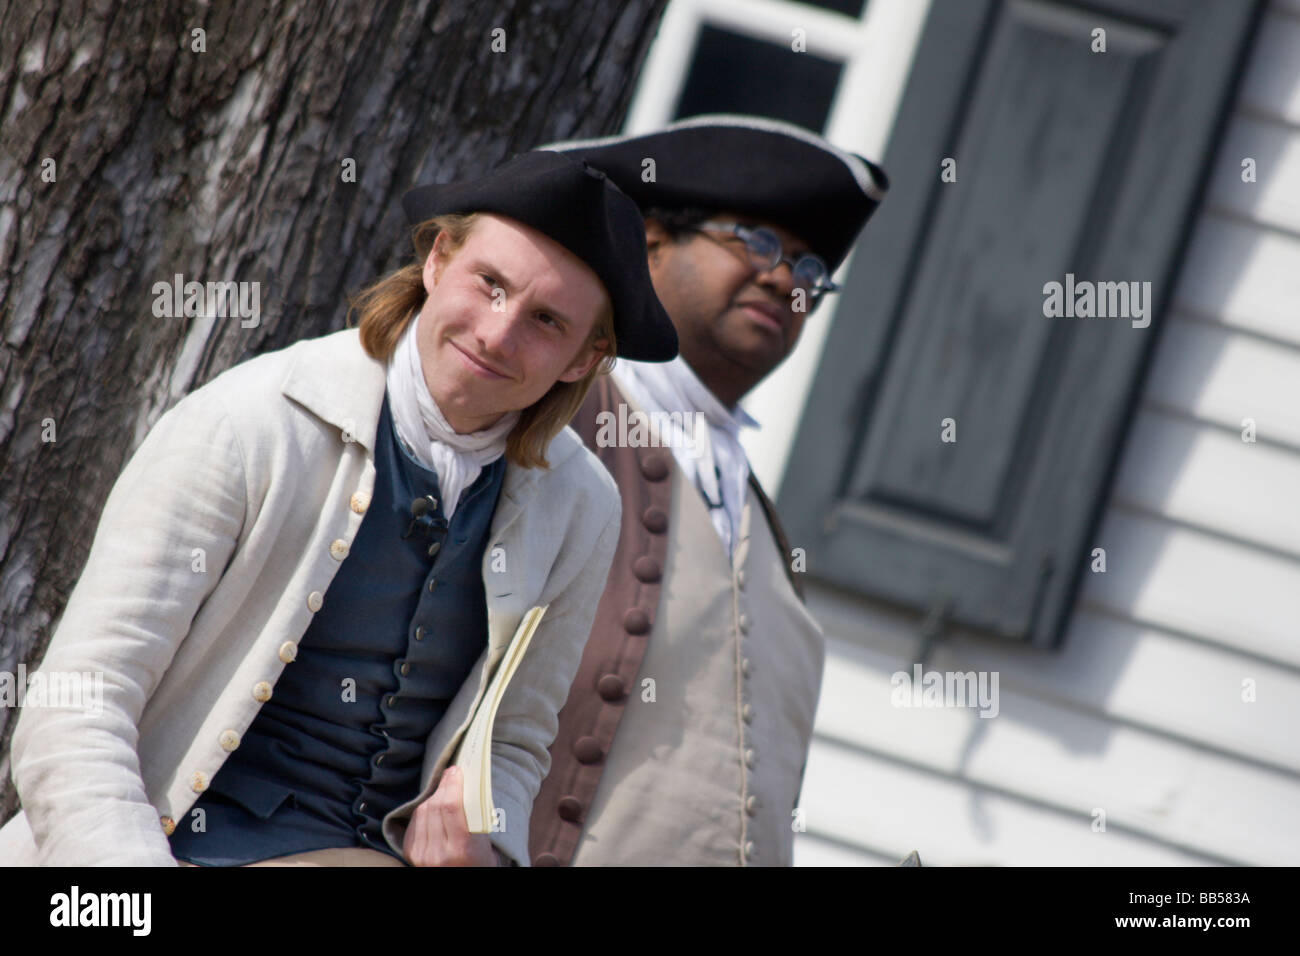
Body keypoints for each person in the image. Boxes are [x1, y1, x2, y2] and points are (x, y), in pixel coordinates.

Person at [0, 150, 677, 867]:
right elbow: (77, 707)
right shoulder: (249, 425)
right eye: (490, 284)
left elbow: (513, 739)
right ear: (439, 258)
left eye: (546, 320)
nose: (497, 333)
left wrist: (485, 838)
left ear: (583, 358)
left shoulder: (582, 506)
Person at [527, 115, 888, 866]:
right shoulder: (554, 421)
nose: (786, 280)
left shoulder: (757, 508)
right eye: (755, 241)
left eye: (811, 270)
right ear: (653, 242)